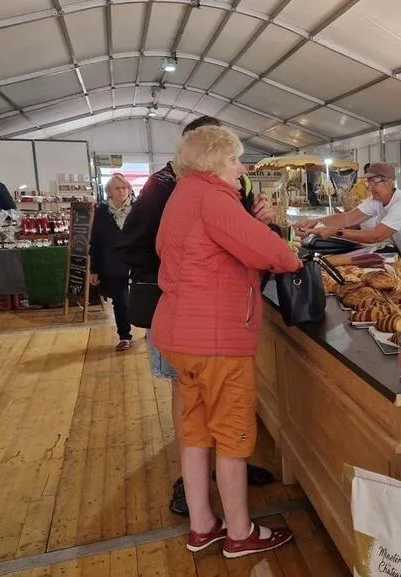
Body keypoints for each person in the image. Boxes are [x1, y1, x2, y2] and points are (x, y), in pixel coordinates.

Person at [116, 115, 277, 518]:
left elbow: (231, 236)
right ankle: (194, 485)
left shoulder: (198, 187)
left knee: (203, 414)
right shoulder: (165, 185)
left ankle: (213, 483)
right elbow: (133, 244)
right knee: (189, 400)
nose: (239, 167)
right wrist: (184, 269)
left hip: (188, 316)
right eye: (232, 156)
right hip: (185, 311)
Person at [152, 125, 300, 557]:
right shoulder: (214, 197)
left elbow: (209, 246)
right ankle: (240, 532)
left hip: (179, 335)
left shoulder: (183, 194)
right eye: (235, 159)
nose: (242, 167)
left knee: (195, 432)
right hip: (215, 338)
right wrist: (284, 244)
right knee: (233, 436)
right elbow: (276, 255)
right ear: (214, 161)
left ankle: (202, 525)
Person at [295, 163, 401, 255]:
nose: (368, 187)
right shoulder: (376, 200)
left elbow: (376, 236)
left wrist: (336, 232)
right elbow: (347, 218)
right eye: (368, 183)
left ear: (388, 182)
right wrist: (313, 222)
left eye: (372, 183)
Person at [90, 173, 135, 350]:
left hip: (137, 261)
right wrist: (94, 269)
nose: (123, 191)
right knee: (120, 301)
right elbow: (95, 241)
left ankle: (150, 332)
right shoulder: (102, 211)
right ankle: (125, 336)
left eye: (125, 187)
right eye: (118, 188)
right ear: (109, 192)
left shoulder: (138, 208)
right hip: (113, 263)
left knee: (143, 298)